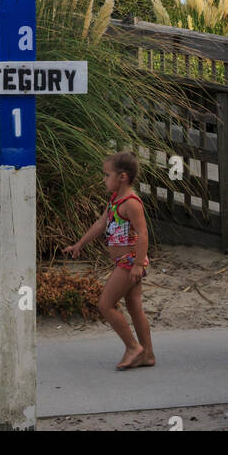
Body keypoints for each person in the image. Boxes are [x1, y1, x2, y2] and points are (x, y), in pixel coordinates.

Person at [64, 151, 155, 370]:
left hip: (129, 261)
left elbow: (143, 235)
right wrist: (80, 244)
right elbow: (101, 223)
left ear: (122, 176)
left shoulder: (132, 203)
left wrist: (137, 264)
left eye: (106, 175)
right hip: (126, 262)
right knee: (134, 307)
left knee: (105, 304)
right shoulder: (115, 199)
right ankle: (148, 354)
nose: (103, 179)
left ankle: (133, 347)